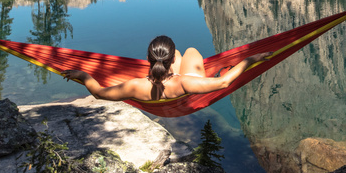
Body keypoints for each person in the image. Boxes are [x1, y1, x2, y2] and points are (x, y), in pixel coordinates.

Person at [63, 35, 273, 102]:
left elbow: (99, 93)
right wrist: (250, 60)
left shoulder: (135, 86)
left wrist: (82, 75)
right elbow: (224, 82)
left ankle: (166, 62)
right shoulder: (185, 82)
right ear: (171, 61)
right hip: (184, 85)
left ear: (147, 58)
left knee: (183, 54)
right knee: (189, 51)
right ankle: (178, 58)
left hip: (159, 87)